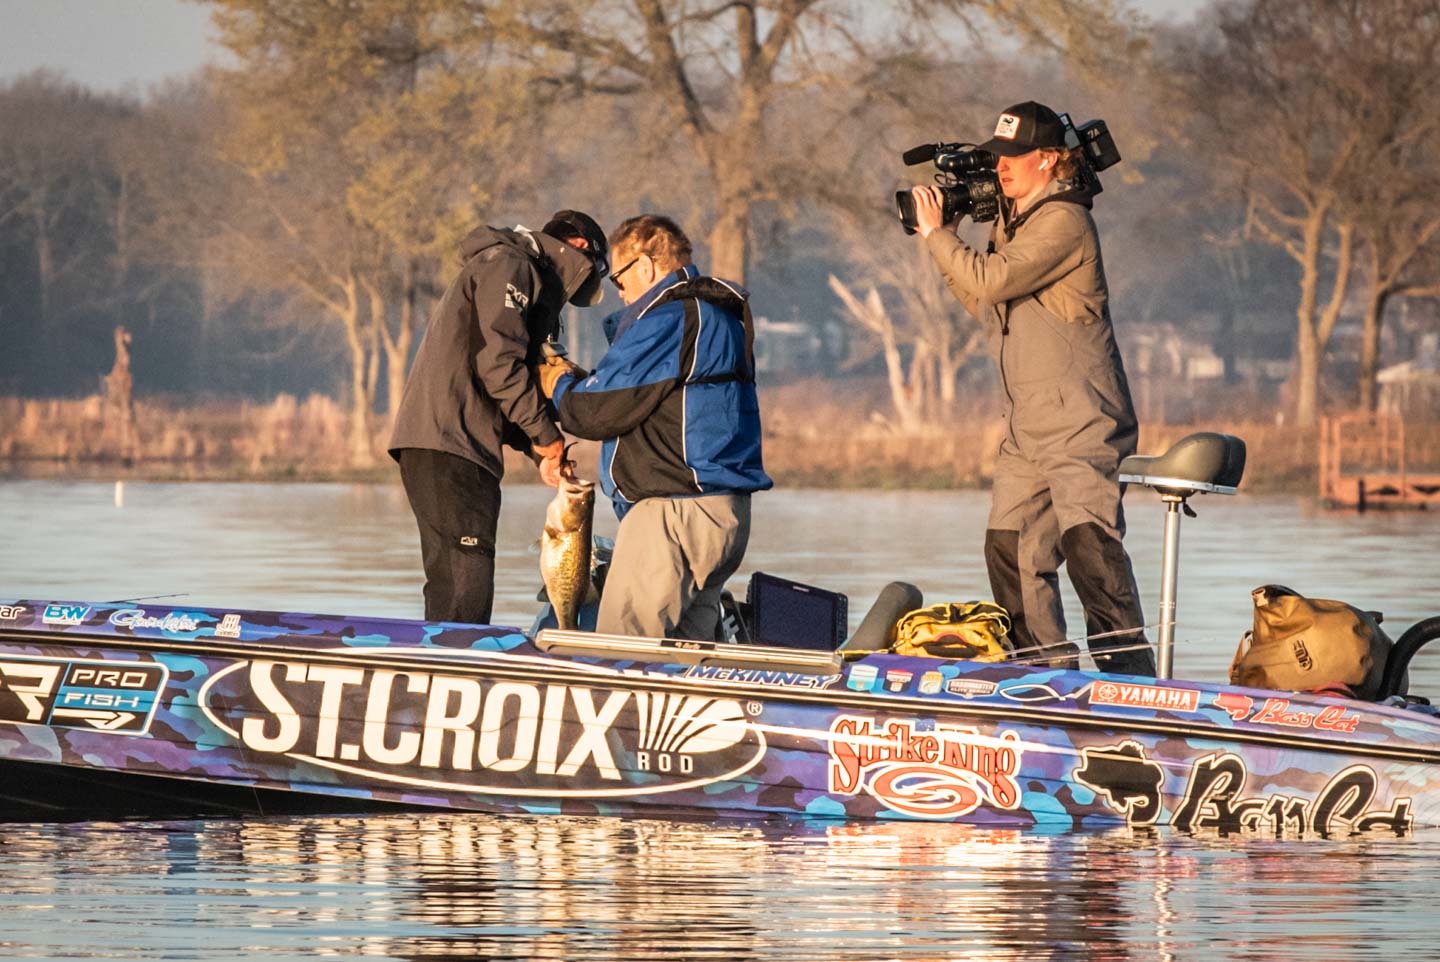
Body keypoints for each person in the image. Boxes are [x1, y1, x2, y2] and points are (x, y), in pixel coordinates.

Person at [911, 101, 1156, 676]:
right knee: (1010, 549)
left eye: (1016, 156)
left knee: (1091, 553)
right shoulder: (1012, 227)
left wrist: (933, 236)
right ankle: (1041, 678)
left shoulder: (1064, 221)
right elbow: (983, 298)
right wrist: (945, 240)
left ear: (1049, 160)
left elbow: (989, 278)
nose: (1003, 167)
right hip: (1026, 429)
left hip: (1080, 422)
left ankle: (1135, 685)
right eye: (998, 156)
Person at [540, 214, 772, 640]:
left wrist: (558, 382)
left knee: (622, 652)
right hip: (723, 516)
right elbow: (638, 398)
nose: (620, 294)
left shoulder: (671, 318)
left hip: (674, 516)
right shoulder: (716, 316)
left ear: (645, 267)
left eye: (620, 281)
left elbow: (595, 411)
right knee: (685, 660)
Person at [389, 210, 609, 625]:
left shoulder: (511, 268)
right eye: (585, 277)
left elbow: (495, 381)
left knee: (452, 579)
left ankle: (439, 667)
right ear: (578, 249)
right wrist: (546, 434)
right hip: (452, 445)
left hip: (447, 443)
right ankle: (459, 668)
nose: (572, 294)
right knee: (465, 575)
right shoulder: (511, 265)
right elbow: (500, 366)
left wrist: (538, 449)